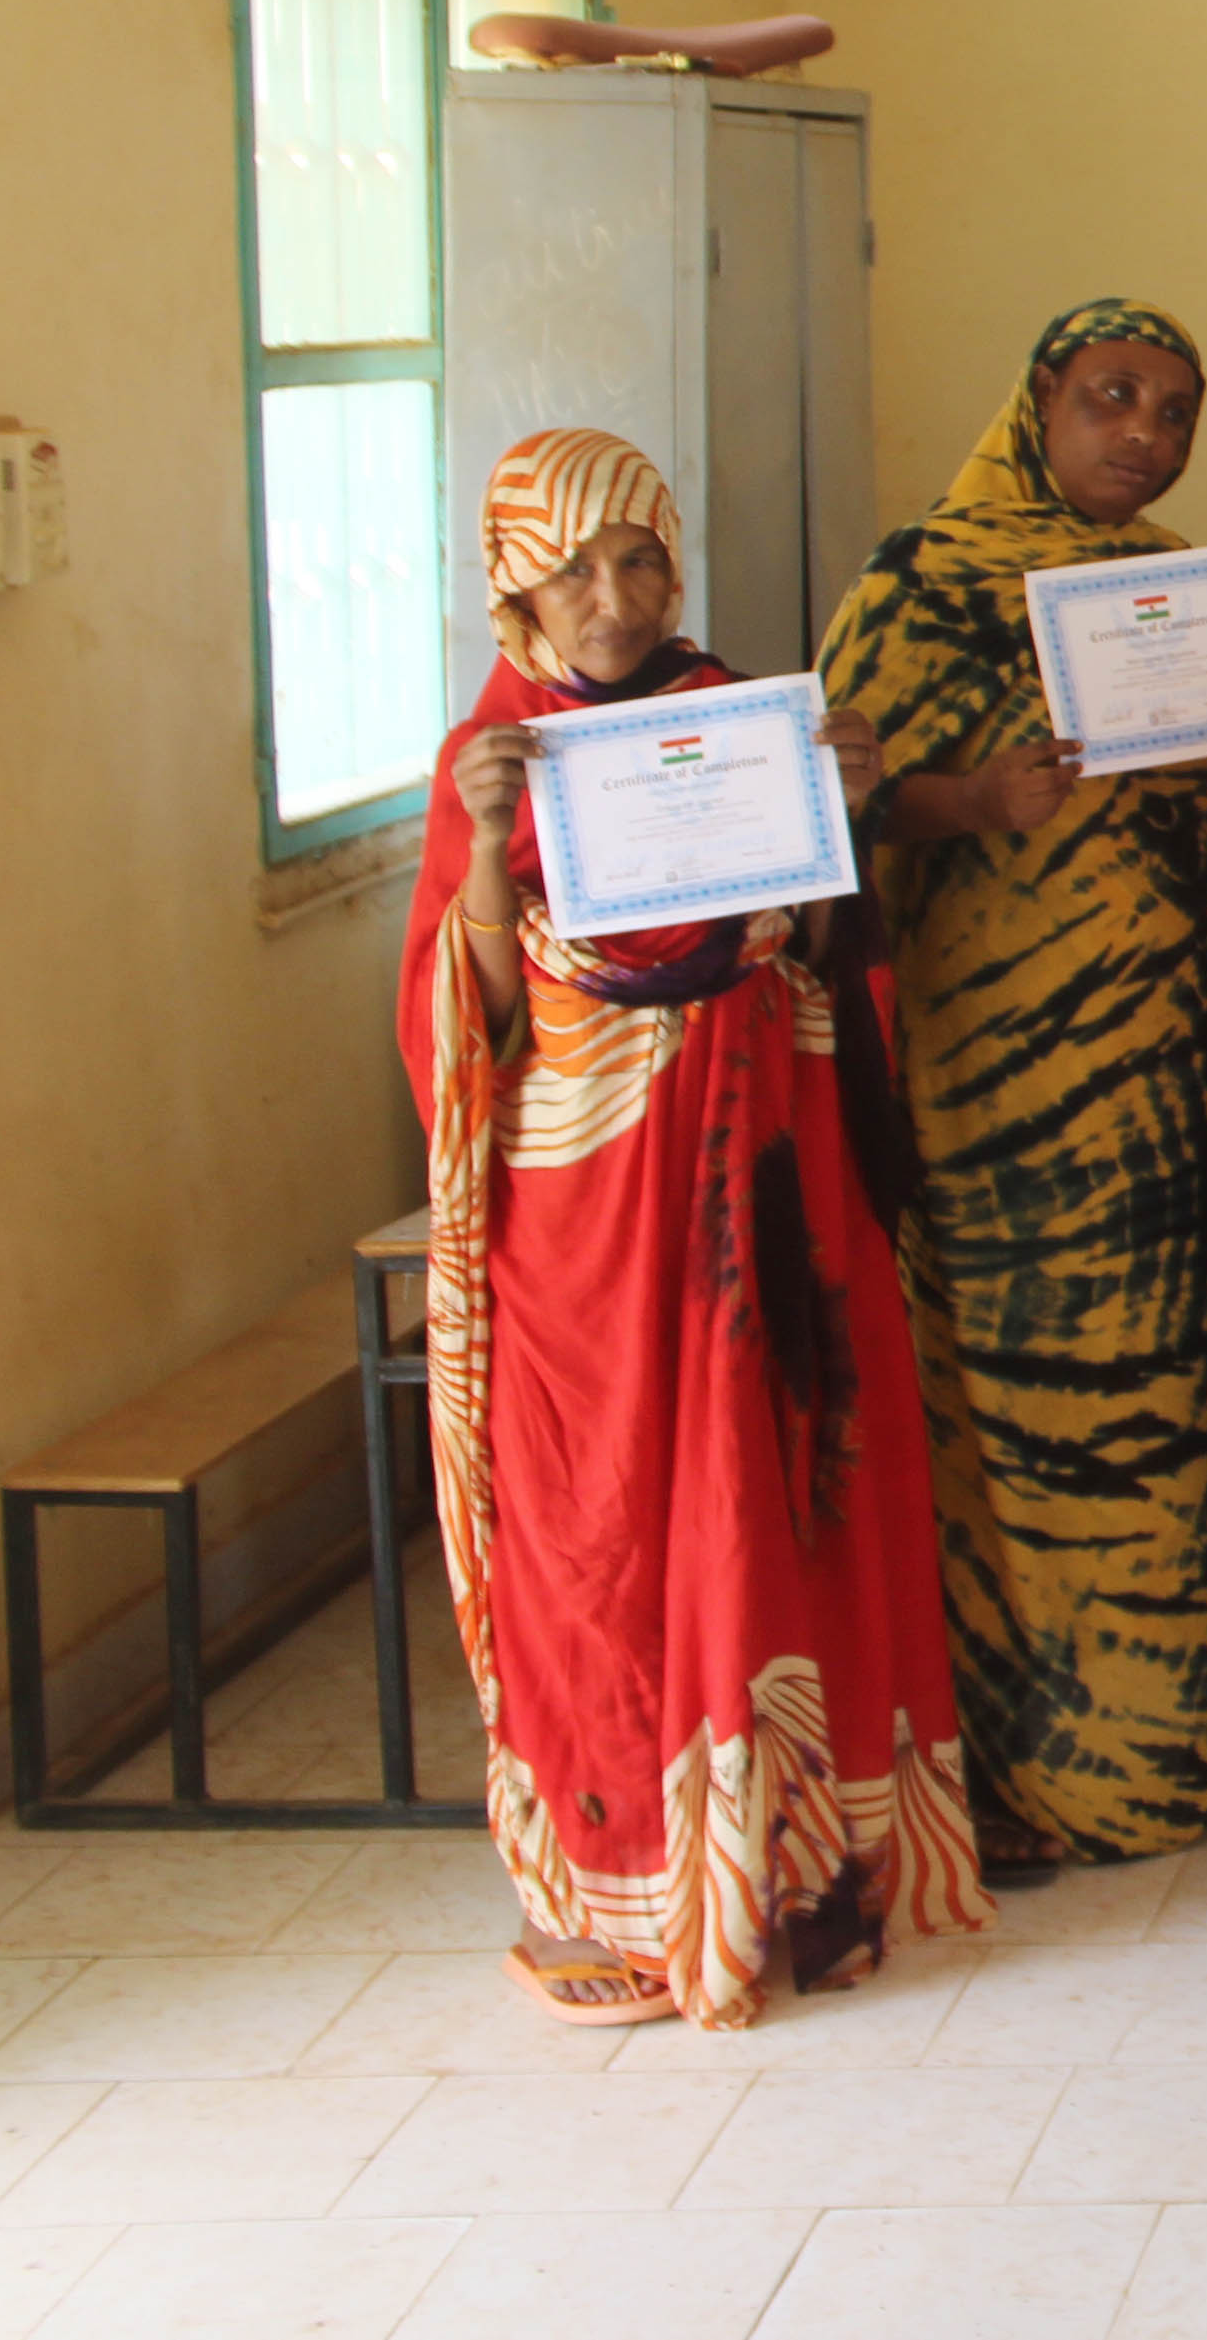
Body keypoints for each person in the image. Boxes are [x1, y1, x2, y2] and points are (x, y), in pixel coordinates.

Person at [406, 430, 982, 2025]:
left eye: (642, 562)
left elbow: (812, 955)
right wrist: (479, 864)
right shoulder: (495, 754)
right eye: (577, 568)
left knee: (777, 1504)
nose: (614, 598)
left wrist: (841, 811)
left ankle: (793, 1868)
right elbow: (471, 1032)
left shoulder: (732, 722)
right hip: (588, 1230)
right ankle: (629, 1894)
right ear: (514, 580)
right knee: (605, 1530)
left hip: (763, 1214)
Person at [815, 300, 1207, 1872]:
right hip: (1021, 1097)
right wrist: (974, 795)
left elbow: (1187, 807)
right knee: (1056, 1416)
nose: (1145, 437)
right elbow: (826, 794)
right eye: (1114, 399)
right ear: (1039, 398)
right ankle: (1052, 1777)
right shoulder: (924, 583)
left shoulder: (1180, 589)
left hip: (1190, 1067)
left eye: (1174, 410)